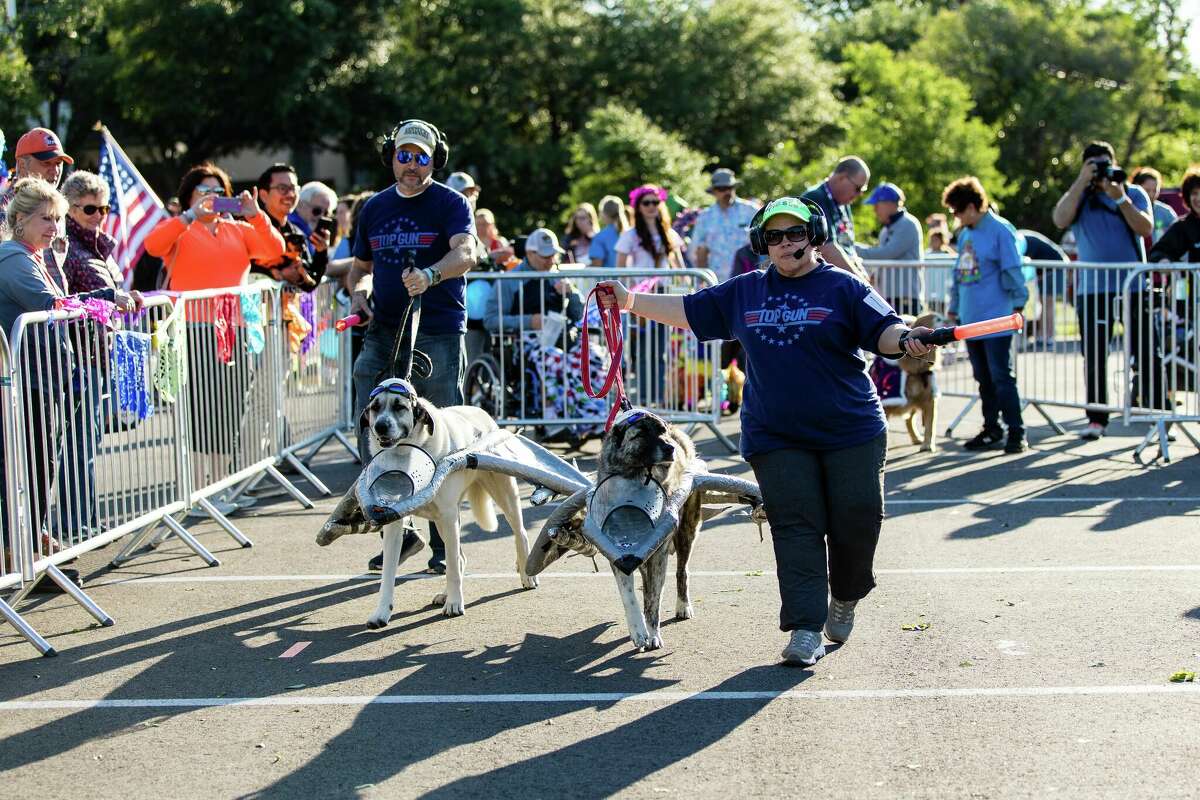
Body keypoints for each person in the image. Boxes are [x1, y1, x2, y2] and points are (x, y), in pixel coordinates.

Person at [596, 196, 937, 666]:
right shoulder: (745, 291)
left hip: (850, 430)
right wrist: (630, 301)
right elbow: (689, 310)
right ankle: (804, 628)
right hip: (776, 434)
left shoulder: (844, 288)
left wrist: (905, 340)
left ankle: (846, 595)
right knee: (796, 525)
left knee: (857, 520)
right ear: (762, 242)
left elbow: (885, 329)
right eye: (773, 236)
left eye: (794, 233)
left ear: (813, 237)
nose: (784, 243)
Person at [348, 119, 477, 574]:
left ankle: (446, 544)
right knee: (370, 420)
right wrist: (359, 291)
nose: (411, 164)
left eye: (421, 156)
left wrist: (431, 275)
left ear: (434, 160)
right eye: (404, 154)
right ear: (392, 156)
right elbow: (360, 266)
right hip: (384, 327)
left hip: (437, 328)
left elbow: (466, 253)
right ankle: (397, 527)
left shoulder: (450, 202)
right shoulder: (374, 208)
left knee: (440, 432)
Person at [0, 178, 141, 588]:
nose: (54, 227)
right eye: (45, 218)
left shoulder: (35, 256)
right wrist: (106, 297)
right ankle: (21, 553)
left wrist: (103, 295)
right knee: (29, 467)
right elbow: (50, 305)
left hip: (43, 377)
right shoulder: (14, 257)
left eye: (58, 219)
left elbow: (58, 302)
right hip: (25, 380)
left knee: (40, 466)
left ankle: (31, 545)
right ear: (19, 218)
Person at [1051, 141, 1160, 440]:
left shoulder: (1133, 192)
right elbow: (1059, 219)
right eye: (1094, 165)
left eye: (1105, 164)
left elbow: (1145, 228)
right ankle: (1097, 419)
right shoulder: (1080, 198)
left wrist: (1120, 198)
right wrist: (1081, 182)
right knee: (1095, 354)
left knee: (1147, 350)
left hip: (1133, 287)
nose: (1101, 171)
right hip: (1093, 289)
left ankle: (1156, 414)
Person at [482, 228, 607, 441]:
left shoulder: (559, 277)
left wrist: (570, 295)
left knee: (593, 356)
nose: (551, 260)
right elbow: (491, 320)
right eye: (545, 256)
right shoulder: (509, 281)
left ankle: (596, 418)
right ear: (530, 254)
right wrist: (529, 321)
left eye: (553, 255)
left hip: (563, 337)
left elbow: (579, 315)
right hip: (524, 342)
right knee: (553, 358)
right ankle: (556, 420)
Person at [58, 171, 125, 536]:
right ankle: (72, 523)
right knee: (78, 444)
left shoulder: (100, 245)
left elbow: (110, 291)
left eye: (104, 207)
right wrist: (111, 298)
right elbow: (65, 300)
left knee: (91, 440)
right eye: (89, 208)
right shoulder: (66, 247)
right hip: (77, 356)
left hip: (100, 354)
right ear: (69, 209)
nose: (99, 214)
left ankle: (82, 518)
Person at [943, 177, 1029, 454]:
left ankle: (1017, 431)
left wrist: (1018, 302)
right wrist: (954, 307)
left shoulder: (1000, 231)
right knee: (983, 377)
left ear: (970, 206)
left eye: (956, 211)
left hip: (996, 318)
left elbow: (1012, 269)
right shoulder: (967, 233)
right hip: (971, 318)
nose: (955, 217)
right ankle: (992, 427)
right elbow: (959, 274)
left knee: (1001, 376)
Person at [143, 162, 285, 290]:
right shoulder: (177, 226)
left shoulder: (238, 229)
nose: (212, 196)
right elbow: (152, 247)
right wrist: (190, 216)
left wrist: (257, 216)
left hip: (235, 318)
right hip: (191, 318)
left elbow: (276, 250)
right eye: (204, 190)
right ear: (189, 196)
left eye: (218, 192)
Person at [250, 164, 329, 290]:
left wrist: (321, 252)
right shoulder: (251, 229)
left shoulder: (296, 232)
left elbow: (310, 284)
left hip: (290, 308)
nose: (290, 194)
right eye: (282, 188)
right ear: (264, 195)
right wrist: (278, 274)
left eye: (294, 188)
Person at [855, 182, 924, 315]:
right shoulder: (886, 230)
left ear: (890, 204)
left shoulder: (908, 224)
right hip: (889, 296)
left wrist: (851, 248)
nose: (874, 209)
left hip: (905, 298)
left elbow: (886, 253)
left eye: (877, 205)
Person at [801, 156, 871, 281]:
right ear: (842, 177)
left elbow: (848, 247)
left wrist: (862, 273)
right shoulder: (815, 198)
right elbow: (827, 249)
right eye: (858, 188)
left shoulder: (843, 204)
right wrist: (863, 285)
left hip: (840, 281)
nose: (860, 194)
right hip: (821, 283)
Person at [690, 168, 758, 281]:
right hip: (718, 281)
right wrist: (701, 281)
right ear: (714, 191)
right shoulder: (705, 217)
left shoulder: (751, 210)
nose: (727, 192)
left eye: (729, 188)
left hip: (748, 279)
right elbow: (699, 251)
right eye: (722, 189)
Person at [1018, 229, 1069, 350]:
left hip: (1055, 268)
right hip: (1047, 270)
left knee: (1048, 304)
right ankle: (1042, 336)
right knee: (1044, 303)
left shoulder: (1020, 241)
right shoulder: (1021, 238)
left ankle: (1048, 337)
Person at [615, 184, 684, 269]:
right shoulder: (629, 235)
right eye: (646, 203)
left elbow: (681, 269)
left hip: (663, 282)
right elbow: (620, 269)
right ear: (639, 207)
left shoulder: (670, 234)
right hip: (638, 282)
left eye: (655, 202)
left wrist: (688, 281)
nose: (651, 206)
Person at [1149, 166, 1200, 263]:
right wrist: (1163, 260)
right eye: (1194, 193)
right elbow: (1158, 252)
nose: (1198, 198)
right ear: (1187, 196)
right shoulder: (1183, 226)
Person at [1131, 166, 1178, 246]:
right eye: (1147, 190)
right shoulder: (1128, 210)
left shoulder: (1166, 212)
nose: (1151, 194)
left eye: (1155, 190)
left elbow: (1179, 237)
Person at [588, 195, 628, 268]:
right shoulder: (629, 234)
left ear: (603, 214)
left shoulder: (600, 237)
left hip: (609, 279)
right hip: (628, 278)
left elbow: (597, 265)